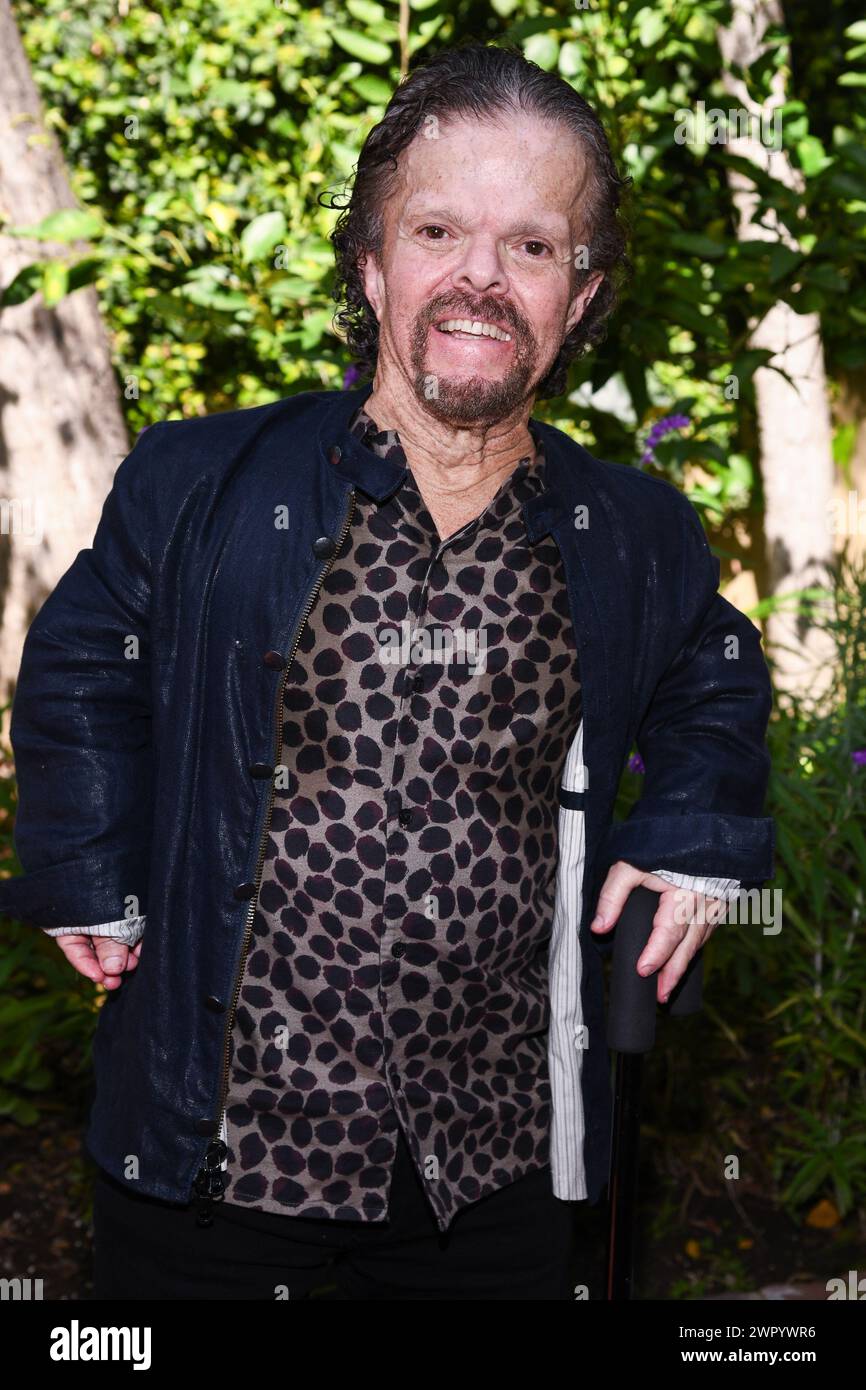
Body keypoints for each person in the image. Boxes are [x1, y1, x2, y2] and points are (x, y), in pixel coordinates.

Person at [0, 42, 773, 1300]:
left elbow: (715, 670)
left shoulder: (629, 533)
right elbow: (88, 651)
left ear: (579, 294)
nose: (480, 274)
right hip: (215, 1176)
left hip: (497, 1186)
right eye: (436, 230)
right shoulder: (200, 485)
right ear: (371, 265)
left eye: (532, 244)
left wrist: (692, 831)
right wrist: (88, 865)